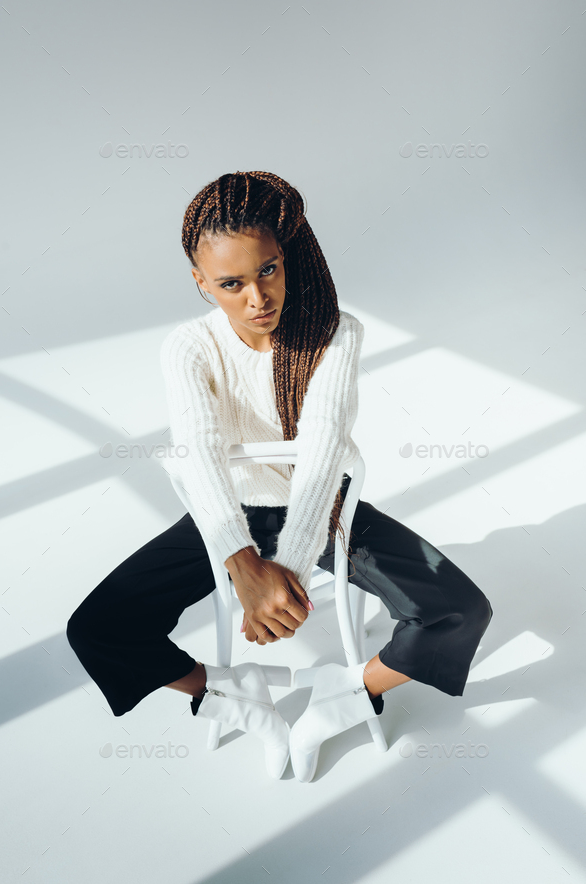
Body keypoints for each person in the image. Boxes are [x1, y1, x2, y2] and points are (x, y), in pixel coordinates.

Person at [66, 170, 493, 783]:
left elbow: (321, 452)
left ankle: (346, 693)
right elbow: (201, 454)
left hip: (319, 512)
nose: (256, 298)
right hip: (226, 516)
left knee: (459, 608)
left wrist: (284, 576)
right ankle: (227, 693)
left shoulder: (334, 333)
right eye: (230, 283)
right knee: (97, 627)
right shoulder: (188, 347)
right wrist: (241, 562)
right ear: (201, 283)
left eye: (267, 269)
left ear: (288, 257)